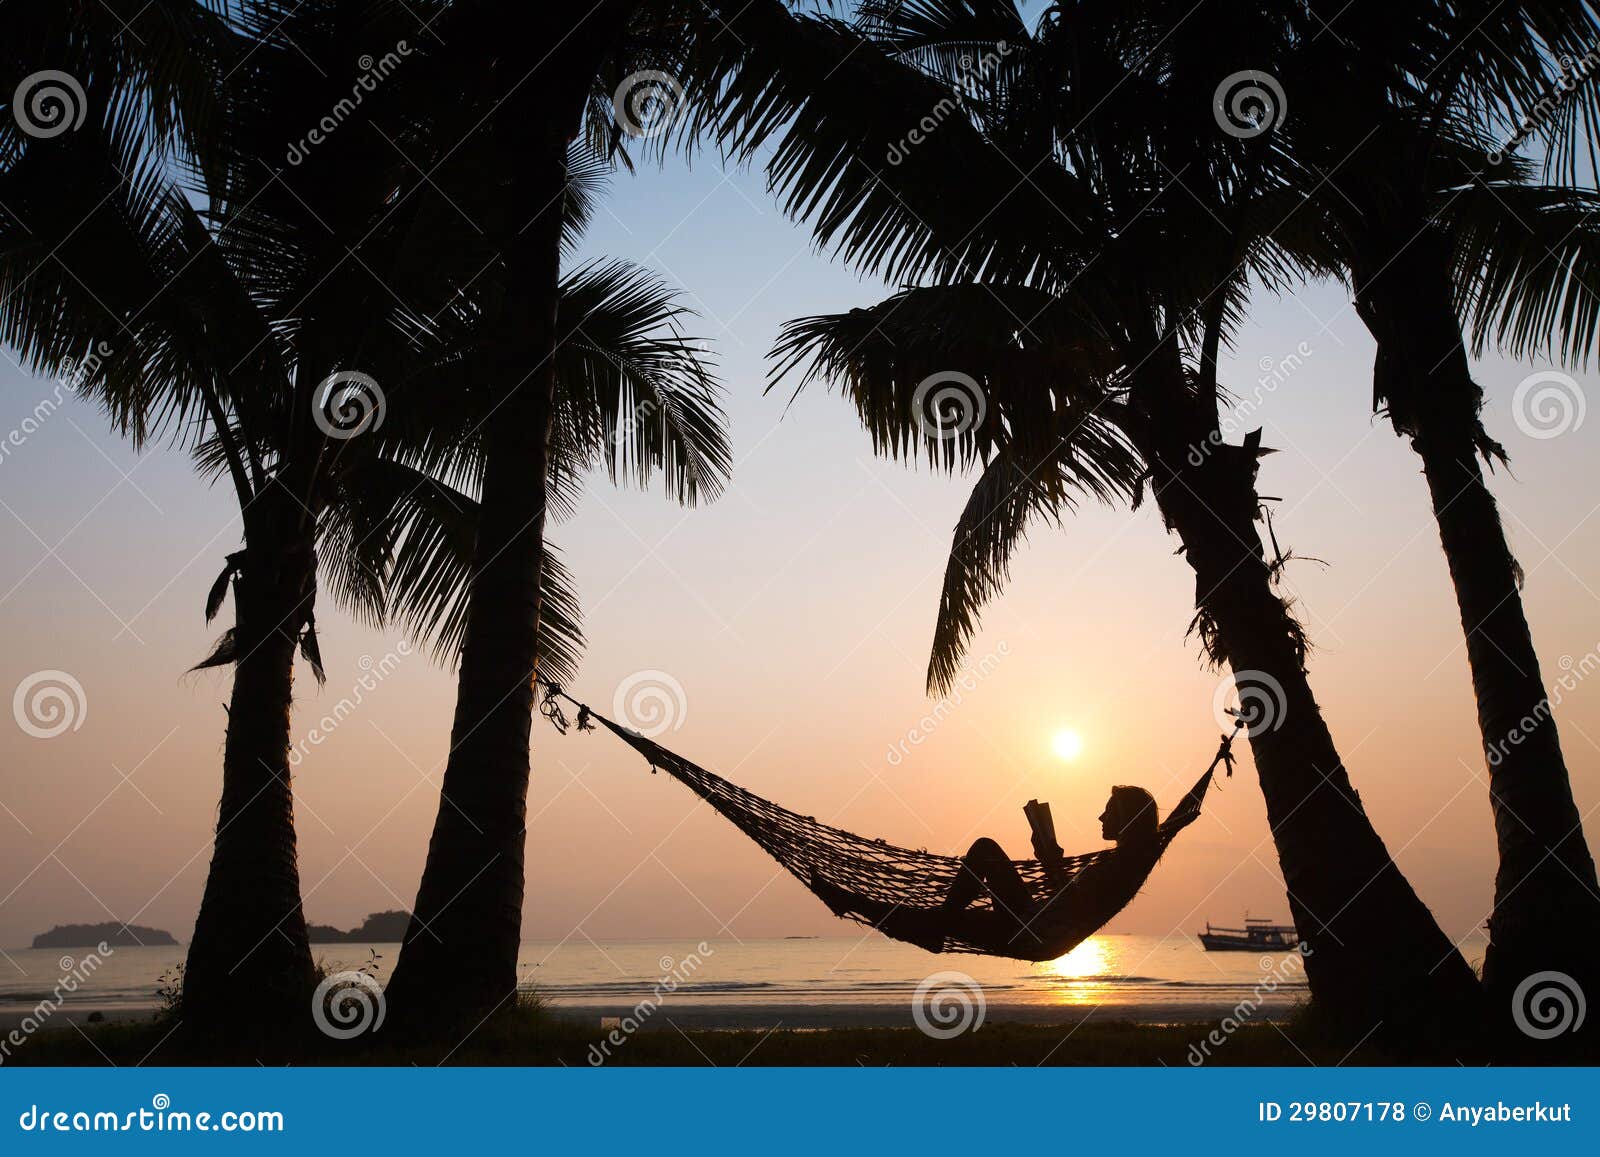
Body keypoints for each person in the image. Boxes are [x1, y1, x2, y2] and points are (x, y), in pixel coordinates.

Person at [817, 786, 1166, 960]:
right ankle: (850, 901)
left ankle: (851, 901)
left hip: (1034, 931)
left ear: (1128, 820)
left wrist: (1050, 859)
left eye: (1108, 813)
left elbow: (1072, 906)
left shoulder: (1116, 868)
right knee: (938, 918)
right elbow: (1068, 901)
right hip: (1034, 921)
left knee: (980, 855)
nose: (1101, 819)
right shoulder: (1119, 865)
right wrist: (1048, 856)